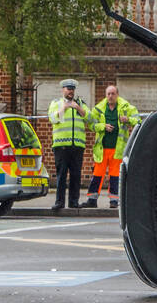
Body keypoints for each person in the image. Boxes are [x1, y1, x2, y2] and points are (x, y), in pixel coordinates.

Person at [84, 85, 139, 208]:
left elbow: (137, 120)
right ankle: (92, 200)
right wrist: (103, 126)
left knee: (115, 176)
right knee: (97, 174)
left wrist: (127, 119)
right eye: (108, 94)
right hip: (102, 148)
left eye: (113, 93)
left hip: (117, 148)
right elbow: (91, 125)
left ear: (117, 95)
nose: (110, 96)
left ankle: (114, 201)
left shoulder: (125, 107)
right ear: (105, 95)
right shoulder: (99, 108)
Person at [48, 79, 88, 210]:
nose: (70, 91)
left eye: (72, 89)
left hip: (77, 145)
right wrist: (63, 109)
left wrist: (78, 108)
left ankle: (73, 202)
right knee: (61, 175)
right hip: (61, 145)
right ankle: (59, 202)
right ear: (63, 90)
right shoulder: (56, 103)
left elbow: (89, 118)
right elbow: (52, 119)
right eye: (68, 89)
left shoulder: (81, 103)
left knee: (76, 175)